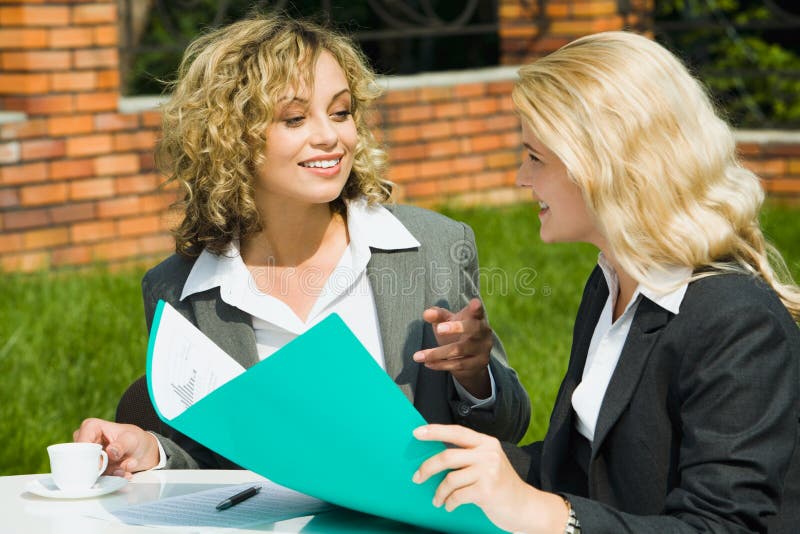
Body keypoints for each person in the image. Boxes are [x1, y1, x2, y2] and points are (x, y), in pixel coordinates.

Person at [74, 14, 530, 475]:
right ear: (230, 139)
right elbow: (208, 455)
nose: (331, 136)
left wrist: (476, 376)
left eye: (341, 111)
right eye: (295, 118)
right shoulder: (176, 290)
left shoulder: (436, 246)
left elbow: (509, 429)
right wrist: (152, 451)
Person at [412, 31, 800, 533]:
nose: (520, 179)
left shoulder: (736, 321)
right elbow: (581, 468)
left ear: (606, 168)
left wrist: (547, 515)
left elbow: (724, 527)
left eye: (535, 157)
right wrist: (441, 469)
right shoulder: (611, 283)